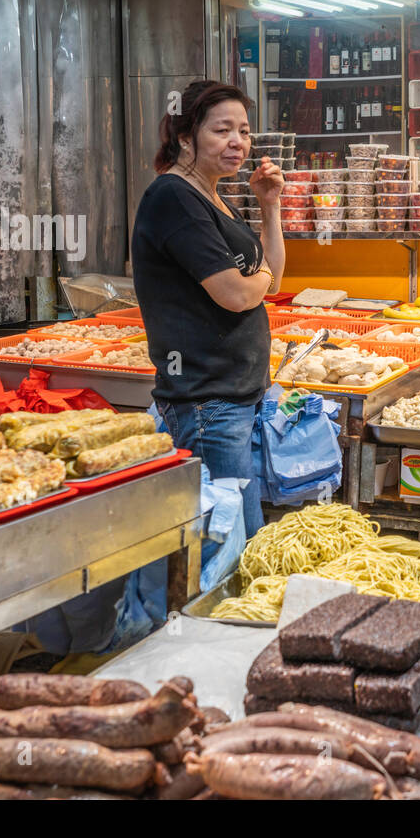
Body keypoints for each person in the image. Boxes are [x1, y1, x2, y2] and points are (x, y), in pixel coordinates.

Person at [131, 80, 285, 536]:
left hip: (239, 396)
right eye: (222, 130)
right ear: (185, 137)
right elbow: (237, 294)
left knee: (240, 536)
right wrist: (259, 281)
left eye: (244, 130)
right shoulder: (173, 196)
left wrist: (269, 207)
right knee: (227, 545)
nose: (238, 141)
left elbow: (274, 281)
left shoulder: (215, 197)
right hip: (207, 402)